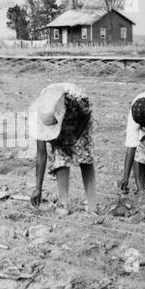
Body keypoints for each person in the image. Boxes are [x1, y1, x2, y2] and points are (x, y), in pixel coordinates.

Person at [29, 82, 96, 215]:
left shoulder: (78, 105)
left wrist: (72, 139)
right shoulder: (42, 115)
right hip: (57, 110)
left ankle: (92, 204)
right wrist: (38, 188)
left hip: (76, 111)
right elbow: (41, 154)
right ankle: (63, 203)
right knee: (59, 154)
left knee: (84, 154)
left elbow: (84, 119)